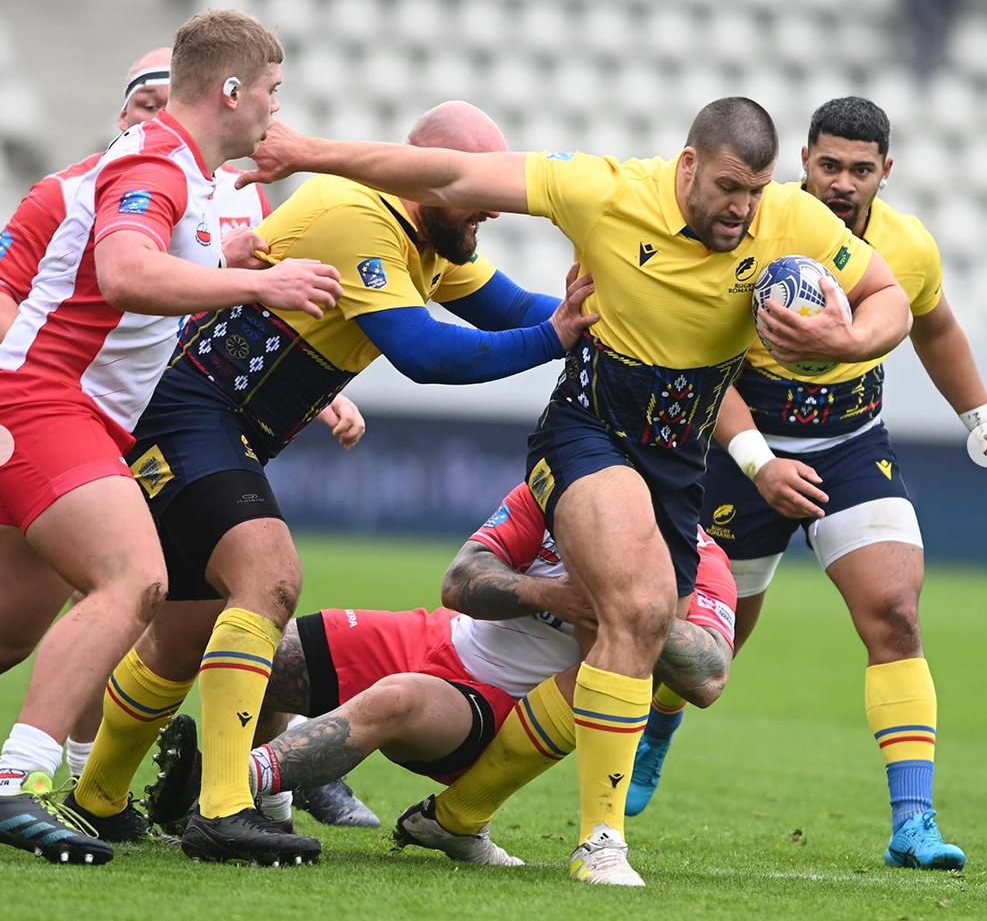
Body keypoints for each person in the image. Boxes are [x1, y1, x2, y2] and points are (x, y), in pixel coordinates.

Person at [233, 96, 912, 884]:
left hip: (678, 463)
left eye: (756, 191)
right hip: (585, 432)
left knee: (636, 621)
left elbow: (888, 293)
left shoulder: (790, 221)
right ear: (688, 165)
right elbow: (451, 170)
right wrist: (310, 150)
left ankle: (459, 816)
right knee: (639, 600)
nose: (743, 208)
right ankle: (600, 842)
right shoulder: (606, 190)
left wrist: (848, 337)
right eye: (729, 187)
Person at [63, 100, 598, 866]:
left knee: (183, 634)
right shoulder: (359, 214)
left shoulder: (432, 235)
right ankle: (223, 810)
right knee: (269, 577)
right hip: (188, 409)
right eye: (471, 187)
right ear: (428, 176)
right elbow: (426, 354)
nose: (487, 207)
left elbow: (506, 307)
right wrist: (558, 337)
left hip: (220, 426)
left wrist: (608, 326)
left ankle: (99, 800)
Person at [0, 9, 342, 867]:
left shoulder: (181, 170)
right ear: (230, 91)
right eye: (269, 90)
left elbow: (147, 266)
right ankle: (20, 780)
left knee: (10, 629)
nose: (273, 109)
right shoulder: (158, 161)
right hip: (46, 399)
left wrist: (238, 277)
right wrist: (257, 291)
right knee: (134, 577)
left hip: (60, 408)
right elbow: (123, 270)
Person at [144, 479, 737, 867]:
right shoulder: (554, 498)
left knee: (394, 701)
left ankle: (215, 783)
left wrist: (636, 608)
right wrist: (552, 593)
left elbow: (709, 677)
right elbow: (458, 583)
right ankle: (272, 805)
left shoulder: (703, 562)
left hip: (497, 707)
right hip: (433, 634)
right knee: (272, 655)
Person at [700, 97, 987, 870]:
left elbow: (934, 326)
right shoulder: (760, 229)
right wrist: (759, 462)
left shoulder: (908, 248)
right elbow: (702, 363)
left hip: (852, 445)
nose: (843, 182)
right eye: (828, 165)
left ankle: (914, 822)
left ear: (885, 173)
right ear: (803, 162)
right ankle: (657, 733)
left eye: (861, 169)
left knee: (895, 612)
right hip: (746, 451)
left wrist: (979, 416)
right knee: (707, 654)